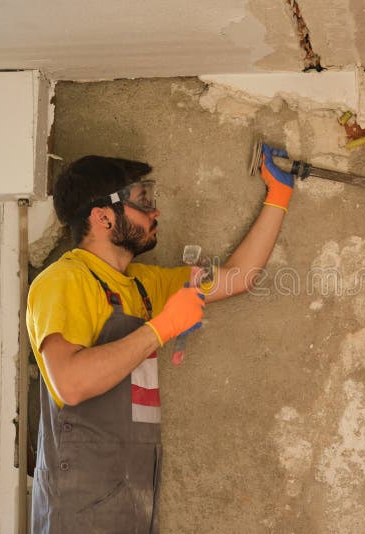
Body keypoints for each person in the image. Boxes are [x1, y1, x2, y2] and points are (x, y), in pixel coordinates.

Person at [25, 144, 295, 533]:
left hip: (130, 497)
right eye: (143, 200)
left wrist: (279, 196)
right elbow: (71, 383)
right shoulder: (64, 281)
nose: (156, 212)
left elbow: (238, 277)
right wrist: (162, 327)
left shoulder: (144, 284)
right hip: (78, 507)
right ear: (103, 217)